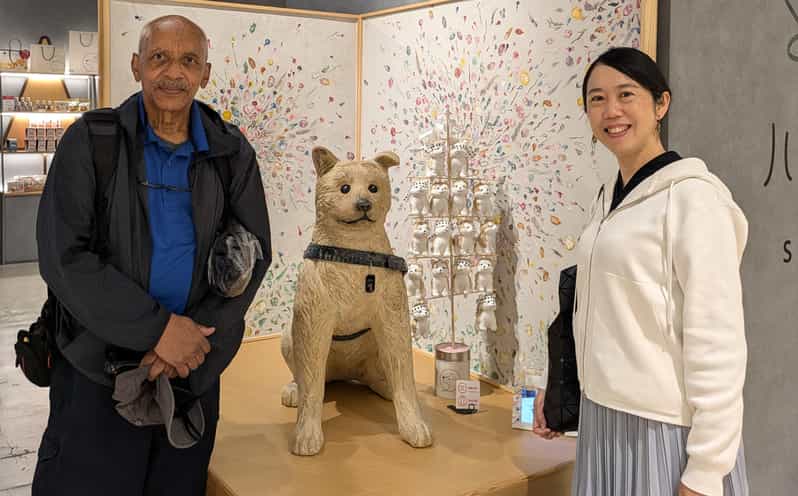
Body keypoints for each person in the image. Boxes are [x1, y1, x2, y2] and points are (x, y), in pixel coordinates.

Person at [32, 15, 271, 495]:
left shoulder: (231, 152)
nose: (173, 72)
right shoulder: (91, 142)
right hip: (97, 375)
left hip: (190, 377)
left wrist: (191, 347)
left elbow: (251, 257)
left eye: (188, 60)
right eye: (159, 57)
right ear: (138, 65)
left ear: (205, 73)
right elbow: (65, 258)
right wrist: (159, 330)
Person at [532, 47, 749, 496]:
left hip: (661, 432)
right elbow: (593, 308)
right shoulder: (609, 197)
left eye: (625, 94)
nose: (611, 111)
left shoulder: (694, 199)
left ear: (660, 105)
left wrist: (706, 470)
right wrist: (557, 391)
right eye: (596, 99)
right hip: (603, 418)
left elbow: (719, 341)